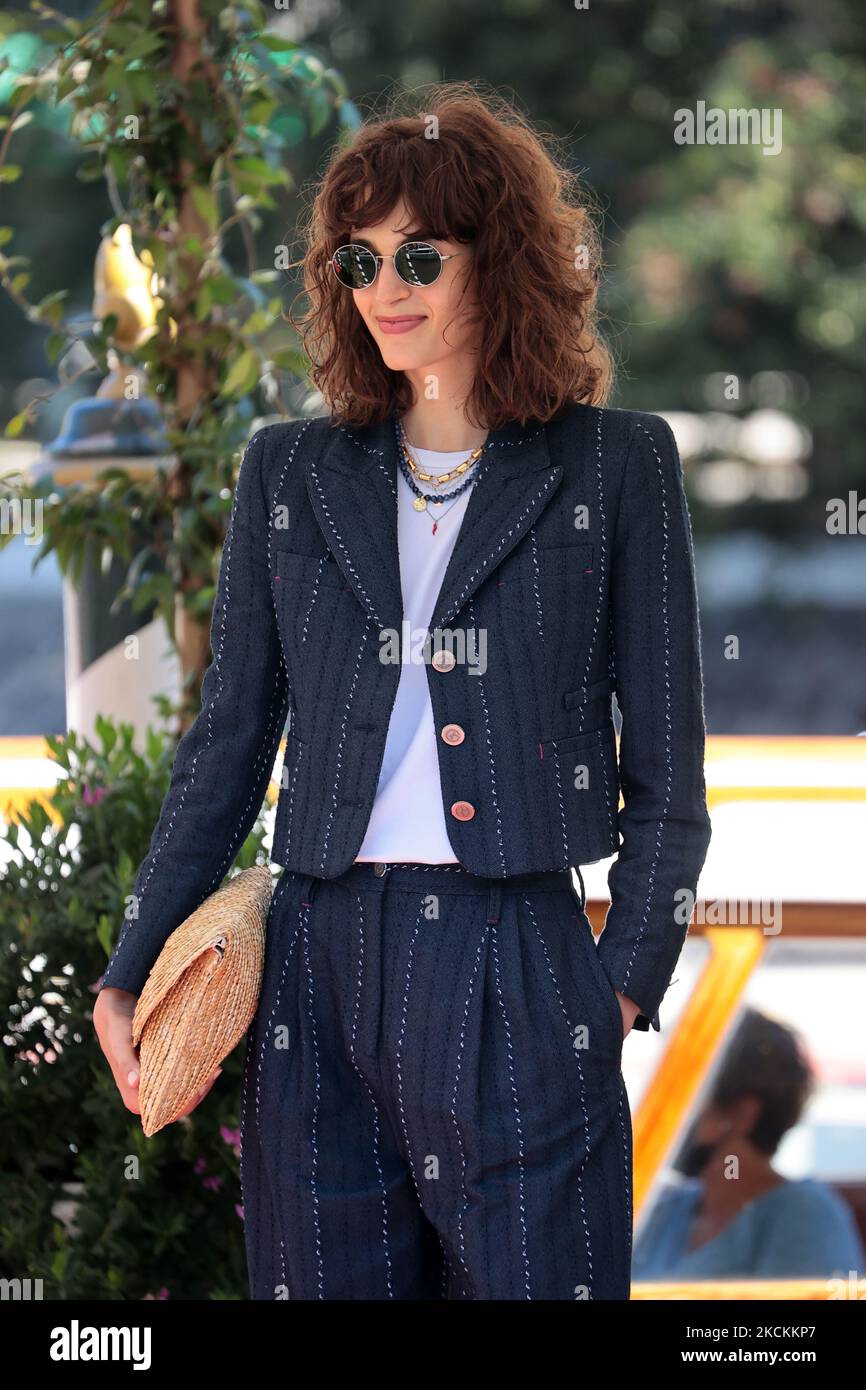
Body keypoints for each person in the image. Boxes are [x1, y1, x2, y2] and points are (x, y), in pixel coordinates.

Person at [94, 82, 712, 1301]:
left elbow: (669, 778)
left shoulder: (614, 463)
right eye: (357, 257)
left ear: (503, 259)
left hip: (519, 958)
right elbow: (227, 744)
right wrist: (130, 967)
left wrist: (617, 985)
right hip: (315, 962)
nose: (384, 284)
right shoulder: (290, 469)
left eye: (418, 254)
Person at [633, 1010, 866, 1281]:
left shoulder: (805, 1216)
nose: (663, 1113)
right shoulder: (664, 1209)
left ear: (741, 1115)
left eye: (683, 1095)